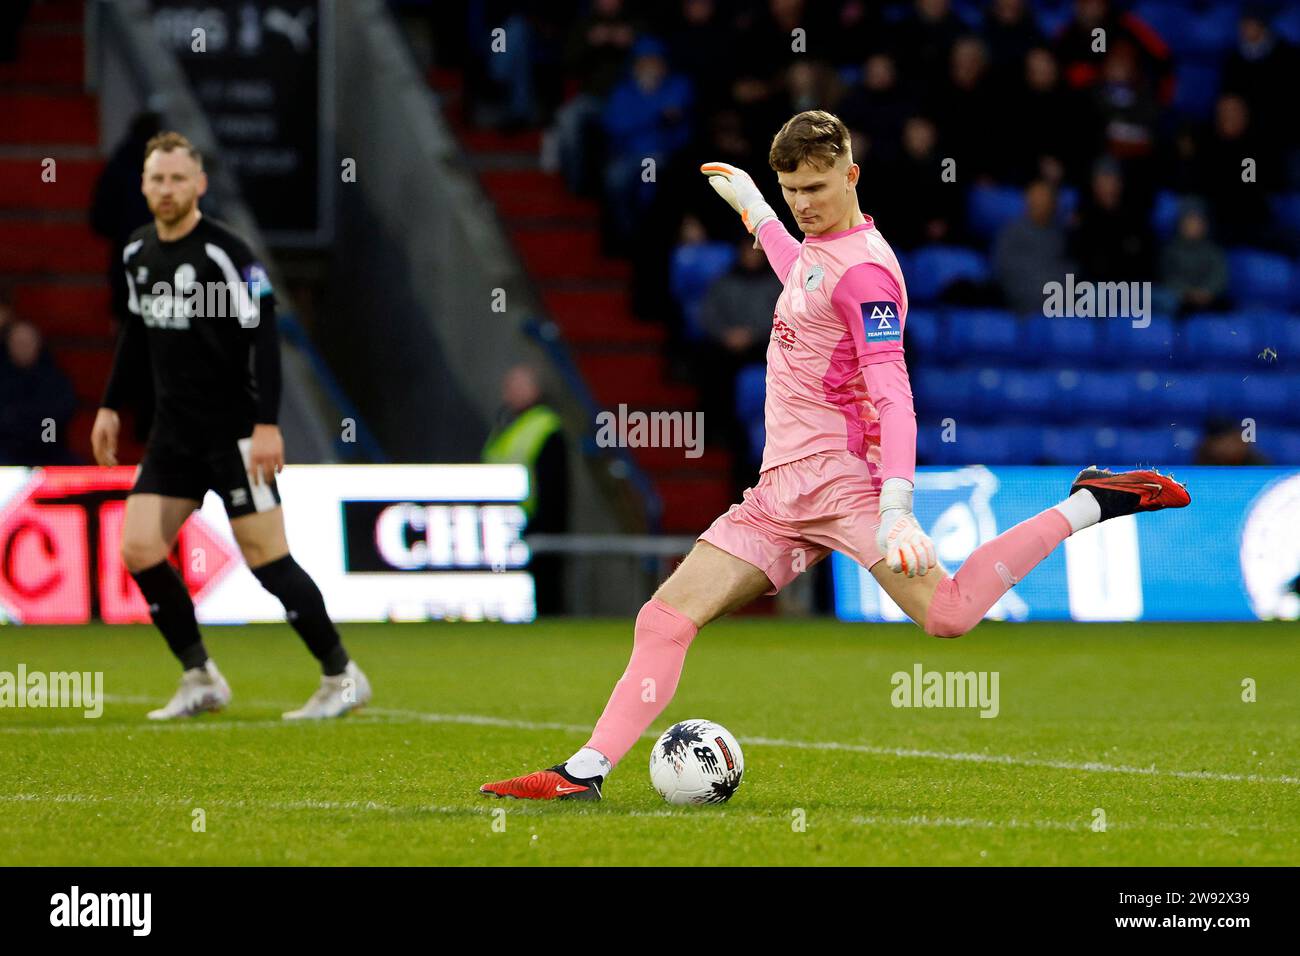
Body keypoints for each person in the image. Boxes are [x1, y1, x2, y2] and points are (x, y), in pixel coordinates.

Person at [480, 111, 1190, 801]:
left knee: (948, 616)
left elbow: (893, 391)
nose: (804, 205)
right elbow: (803, 274)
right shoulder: (820, 252)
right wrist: (759, 215)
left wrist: (896, 506)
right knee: (663, 618)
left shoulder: (869, 277)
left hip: (846, 486)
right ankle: (584, 772)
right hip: (779, 493)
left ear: (851, 176)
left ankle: (1090, 501)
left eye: (814, 190)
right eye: (791, 190)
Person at [91, 131, 371, 721]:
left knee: (267, 558)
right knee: (139, 548)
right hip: (173, 435)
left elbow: (265, 340)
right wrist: (111, 406)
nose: (166, 188)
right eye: (156, 179)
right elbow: (136, 337)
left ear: (199, 184)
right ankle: (200, 677)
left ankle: (342, 675)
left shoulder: (226, 253)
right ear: (143, 186)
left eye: (177, 178)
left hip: (235, 432)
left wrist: (267, 423)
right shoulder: (137, 253)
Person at [482, 365, 569, 616]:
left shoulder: (544, 427)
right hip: (503, 524)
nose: (507, 393)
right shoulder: (507, 424)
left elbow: (553, 489)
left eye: (515, 387)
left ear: (533, 389)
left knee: (543, 594)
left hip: (532, 524)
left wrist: (546, 531)